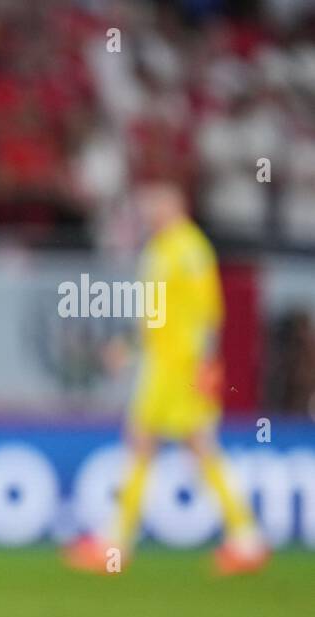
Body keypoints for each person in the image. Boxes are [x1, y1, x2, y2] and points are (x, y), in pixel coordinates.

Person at [65, 181, 268, 575]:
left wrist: (200, 365)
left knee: (160, 443)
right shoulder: (163, 247)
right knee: (181, 445)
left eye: (153, 207)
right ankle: (243, 538)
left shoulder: (188, 249)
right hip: (165, 363)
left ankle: (119, 542)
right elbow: (157, 312)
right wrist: (131, 347)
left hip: (181, 367)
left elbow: (207, 312)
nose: (147, 215)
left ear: (175, 206)